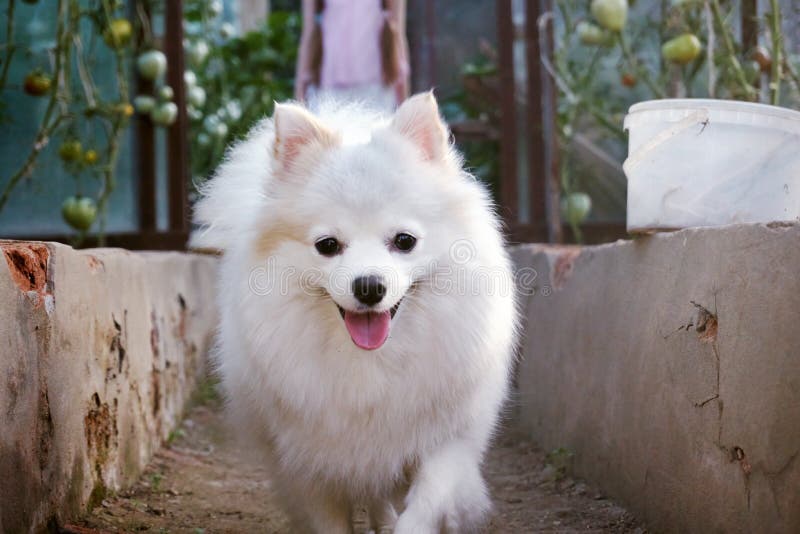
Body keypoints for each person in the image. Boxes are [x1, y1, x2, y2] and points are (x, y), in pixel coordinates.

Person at [294, 0, 410, 111]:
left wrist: (404, 102)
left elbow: (397, 31)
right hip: (329, 88)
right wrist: (299, 100)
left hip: (375, 88)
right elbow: (308, 32)